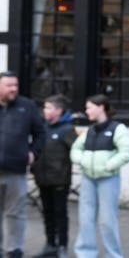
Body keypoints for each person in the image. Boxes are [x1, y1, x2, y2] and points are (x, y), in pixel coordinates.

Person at [71, 94, 129, 258]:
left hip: (108, 180)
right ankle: (85, 253)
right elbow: (75, 150)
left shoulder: (117, 128)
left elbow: (127, 153)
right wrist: (83, 160)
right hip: (88, 179)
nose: (86, 111)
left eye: (89, 107)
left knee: (107, 220)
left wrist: (107, 167)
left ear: (100, 108)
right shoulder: (90, 130)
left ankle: (113, 255)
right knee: (85, 218)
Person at [0, 72, 45, 258]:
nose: (13, 89)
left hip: (16, 170)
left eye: (15, 85)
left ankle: (14, 249)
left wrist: (33, 153)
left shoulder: (27, 106)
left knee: (15, 213)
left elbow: (41, 133)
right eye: (9, 85)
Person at [32, 95, 77, 258]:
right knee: (47, 213)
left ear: (58, 111)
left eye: (48, 108)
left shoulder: (67, 129)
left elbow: (77, 152)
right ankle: (50, 244)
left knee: (60, 214)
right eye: (44, 107)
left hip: (59, 180)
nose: (45, 111)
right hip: (42, 178)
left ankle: (62, 246)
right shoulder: (42, 128)